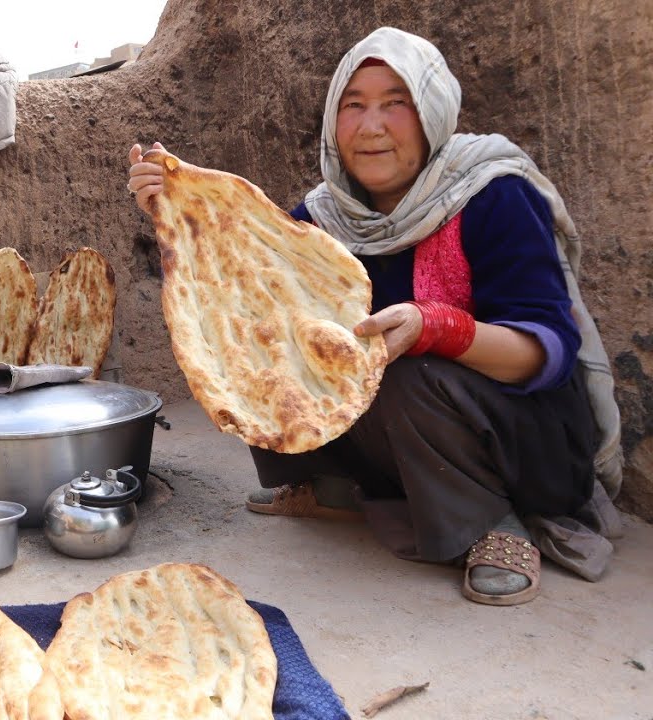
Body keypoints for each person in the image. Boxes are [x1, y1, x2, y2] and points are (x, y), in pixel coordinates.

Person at [127, 27, 623, 606]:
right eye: (353, 105)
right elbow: (241, 290)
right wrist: (174, 210)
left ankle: (492, 520)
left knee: (406, 372)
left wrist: (438, 328)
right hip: (405, 434)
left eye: (395, 103)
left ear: (432, 113)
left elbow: (545, 354)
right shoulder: (325, 217)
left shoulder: (493, 195)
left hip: (519, 434)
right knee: (267, 352)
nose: (371, 126)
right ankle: (339, 486)